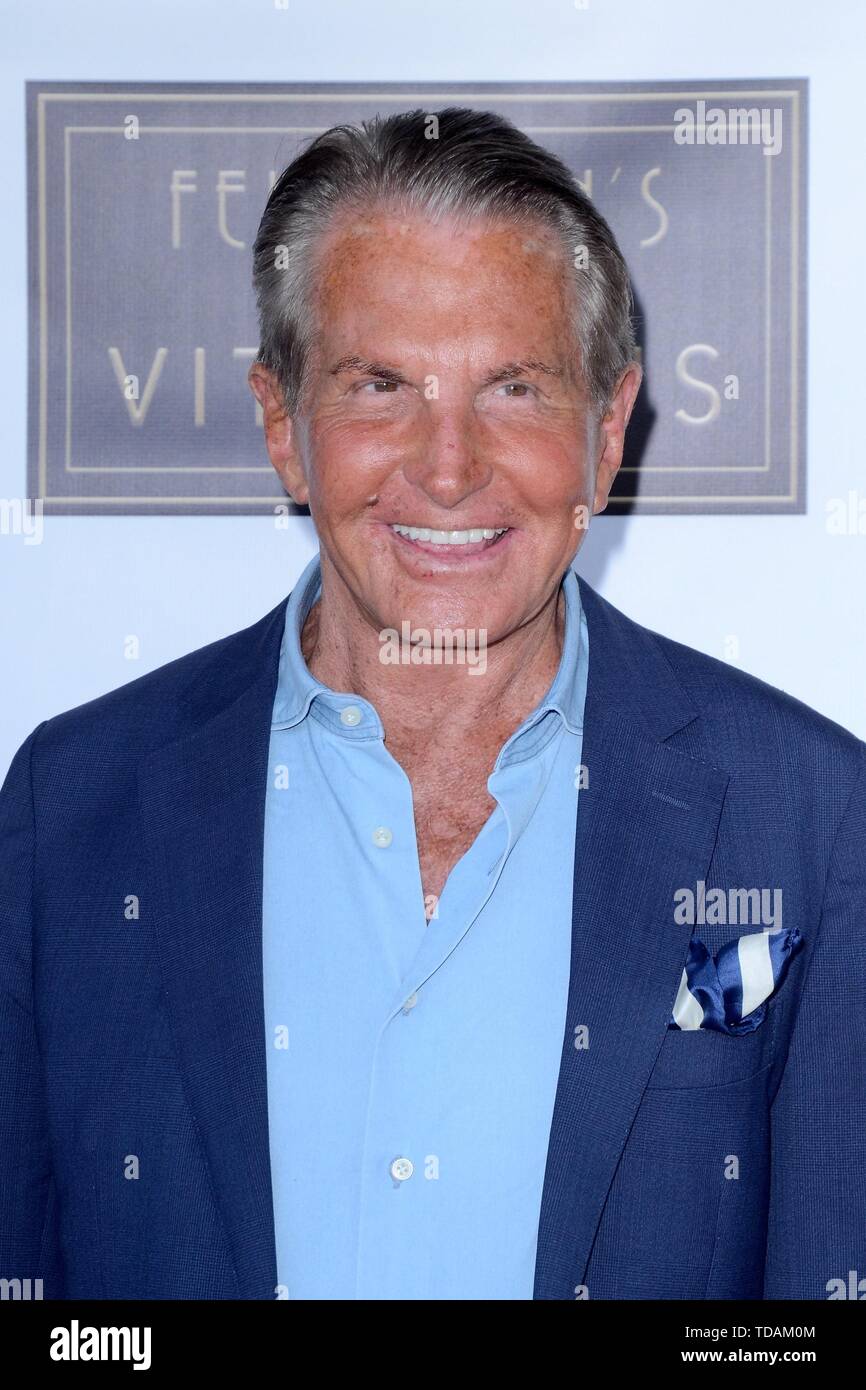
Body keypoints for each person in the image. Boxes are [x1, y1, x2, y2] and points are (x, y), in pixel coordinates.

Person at [1, 107, 863, 1301]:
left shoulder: (807, 817)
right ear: (281, 427)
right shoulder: (70, 810)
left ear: (606, 430)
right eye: (379, 384)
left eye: (512, 386)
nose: (446, 465)